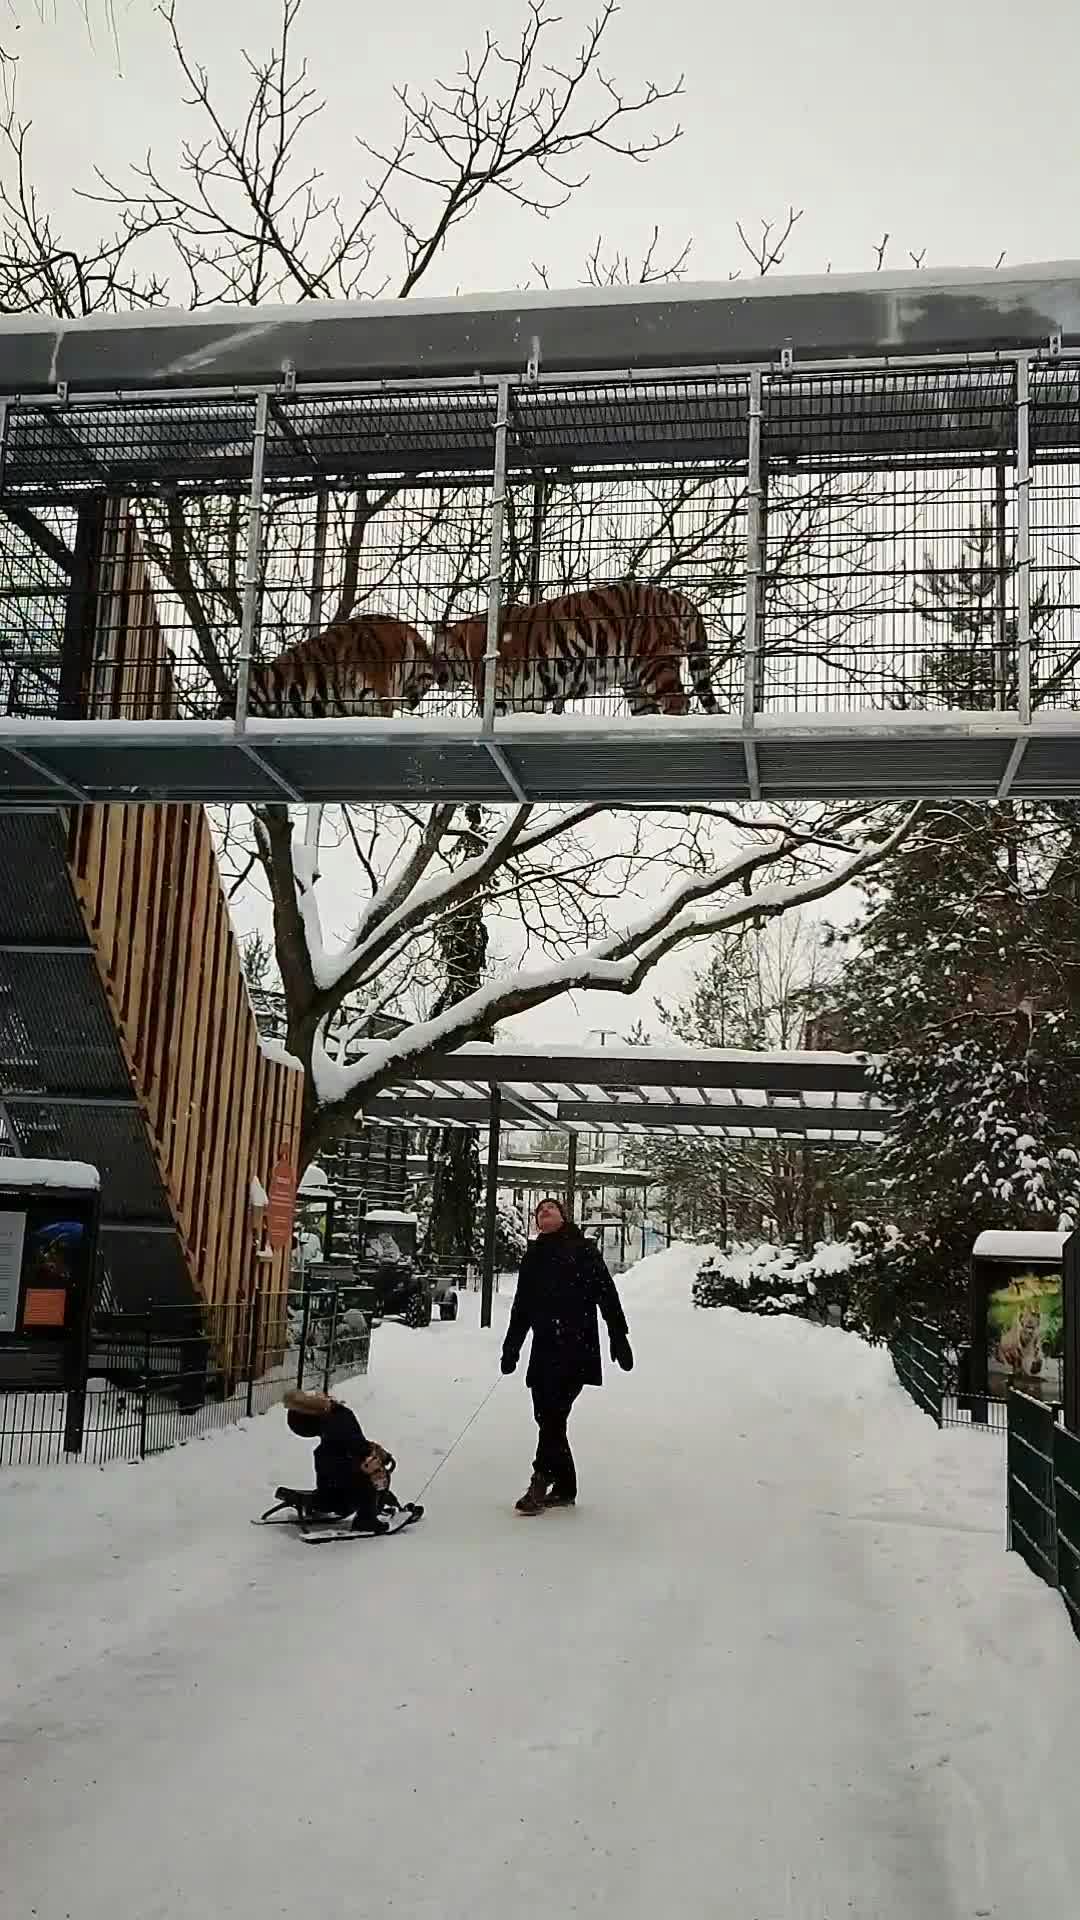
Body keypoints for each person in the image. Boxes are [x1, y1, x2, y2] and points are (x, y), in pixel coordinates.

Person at [501, 1197, 633, 1516]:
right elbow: (523, 1305)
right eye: (539, 1211)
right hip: (544, 1347)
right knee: (547, 1416)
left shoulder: (583, 1249)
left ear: (563, 1216)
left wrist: (618, 1335)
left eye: (551, 1209)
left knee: (553, 1415)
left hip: (577, 1346)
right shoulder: (533, 1256)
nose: (544, 1213)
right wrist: (512, 1346)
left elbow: (606, 1293)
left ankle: (540, 1479)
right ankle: (566, 1486)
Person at [278, 1388, 396, 1532]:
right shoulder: (341, 1417)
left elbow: (353, 1442)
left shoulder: (326, 1427)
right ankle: (365, 1520)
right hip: (346, 1481)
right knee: (374, 1472)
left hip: (331, 1476)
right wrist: (378, 1453)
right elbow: (358, 1446)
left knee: (332, 1467)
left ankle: (323, 1502)